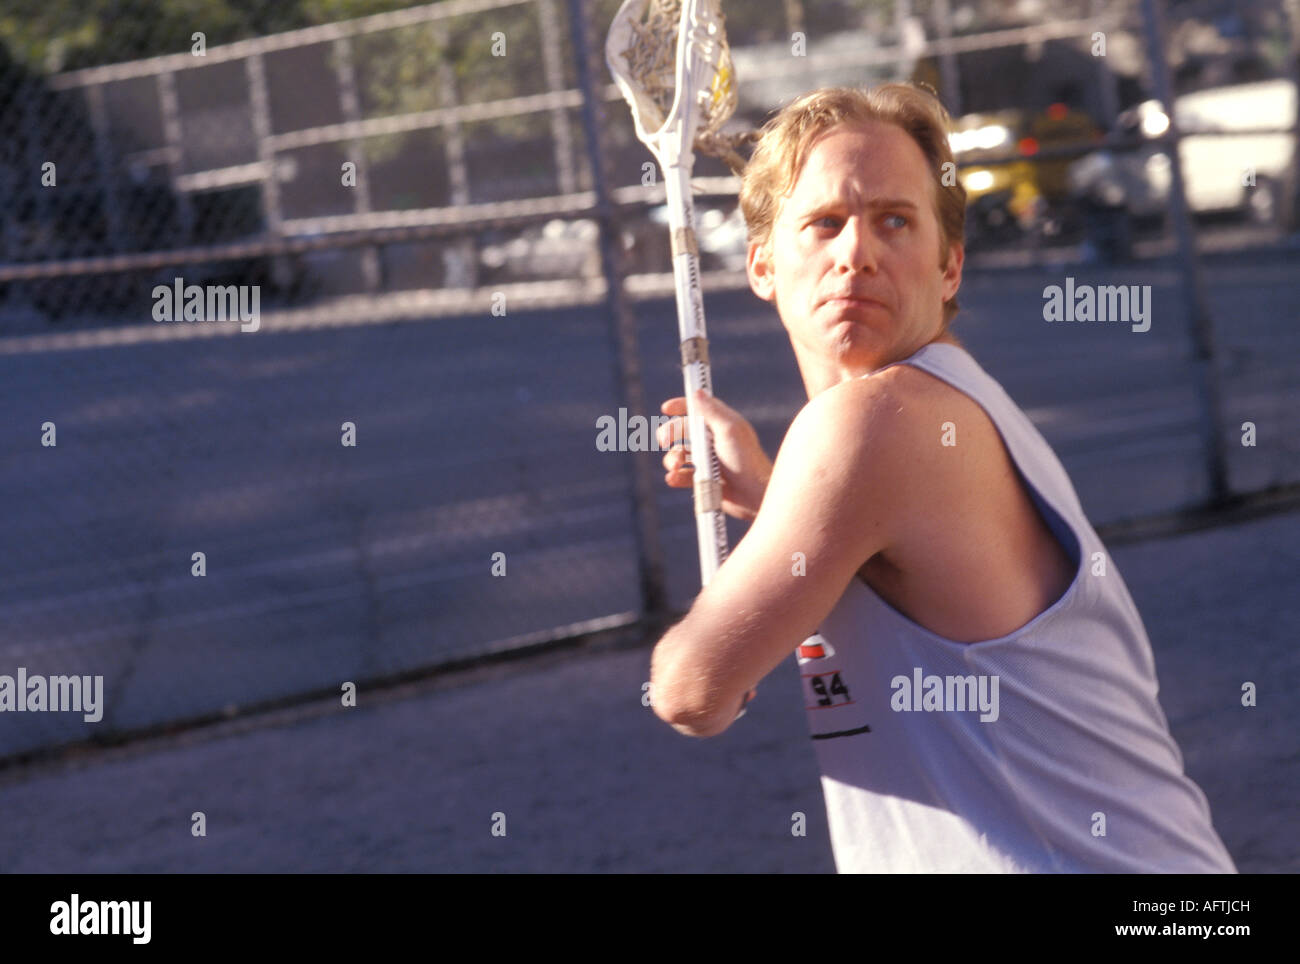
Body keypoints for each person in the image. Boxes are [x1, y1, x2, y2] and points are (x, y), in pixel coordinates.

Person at [647, 84, 1235, 873]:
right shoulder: (949, 404)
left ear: (950, 264)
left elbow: (691, 691)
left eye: (895, 220)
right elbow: (886, 549)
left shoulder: (873, 422)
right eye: (823, 223)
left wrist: (716, 643)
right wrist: (770, 496)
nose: (856, 252)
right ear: (762, 263)